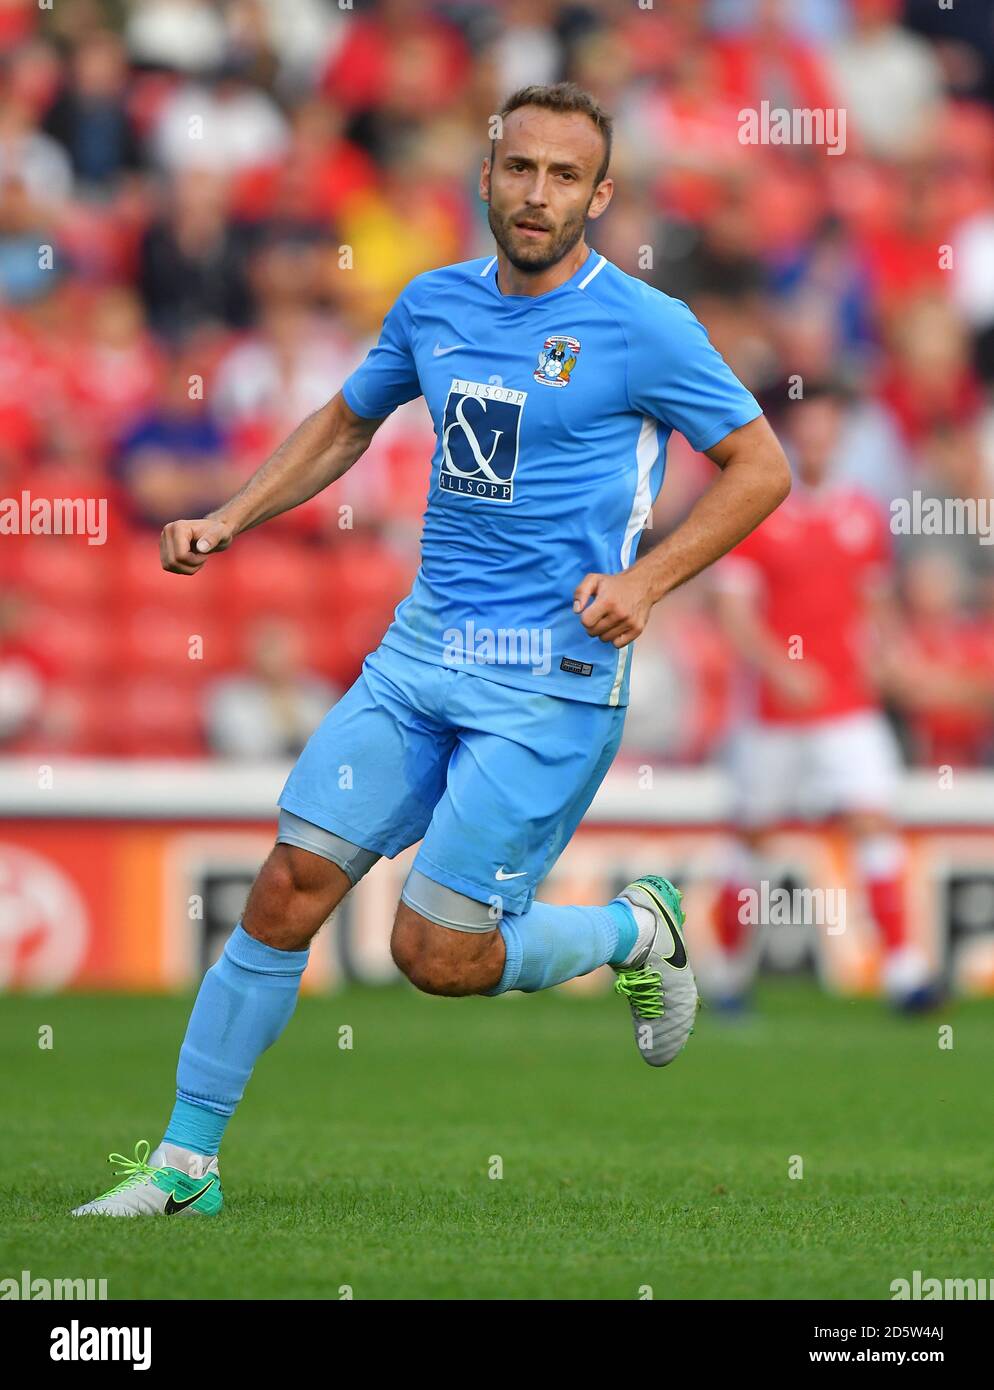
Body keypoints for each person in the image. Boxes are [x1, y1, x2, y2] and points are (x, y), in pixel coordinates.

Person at [72, 83, 790, 1217]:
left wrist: (648, 579)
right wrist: (229, 515)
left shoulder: (647, 325)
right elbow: (348, 422)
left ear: (600, 196)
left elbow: (761, 467)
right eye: (520, 169)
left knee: (434, 956)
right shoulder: (434, 303)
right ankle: (182, 1167)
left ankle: (634, 928)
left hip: (549, 682)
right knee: (286, 888)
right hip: (419, 657)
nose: (538, 192)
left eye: (565, 176)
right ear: (486, 175)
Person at [710, 383, 937, 1011]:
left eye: (827, 428)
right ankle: (728, 975)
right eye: (806, 428)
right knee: (753, 837)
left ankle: (906, 974)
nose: (817, 439)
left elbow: (875, 600)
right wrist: (777, 669)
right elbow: (732, 608)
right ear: (789, 434)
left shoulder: (862, 514)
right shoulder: (758, 508)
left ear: (841, 437)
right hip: (774, 714)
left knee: (873, 818)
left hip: (847, 703)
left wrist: (893, 653)